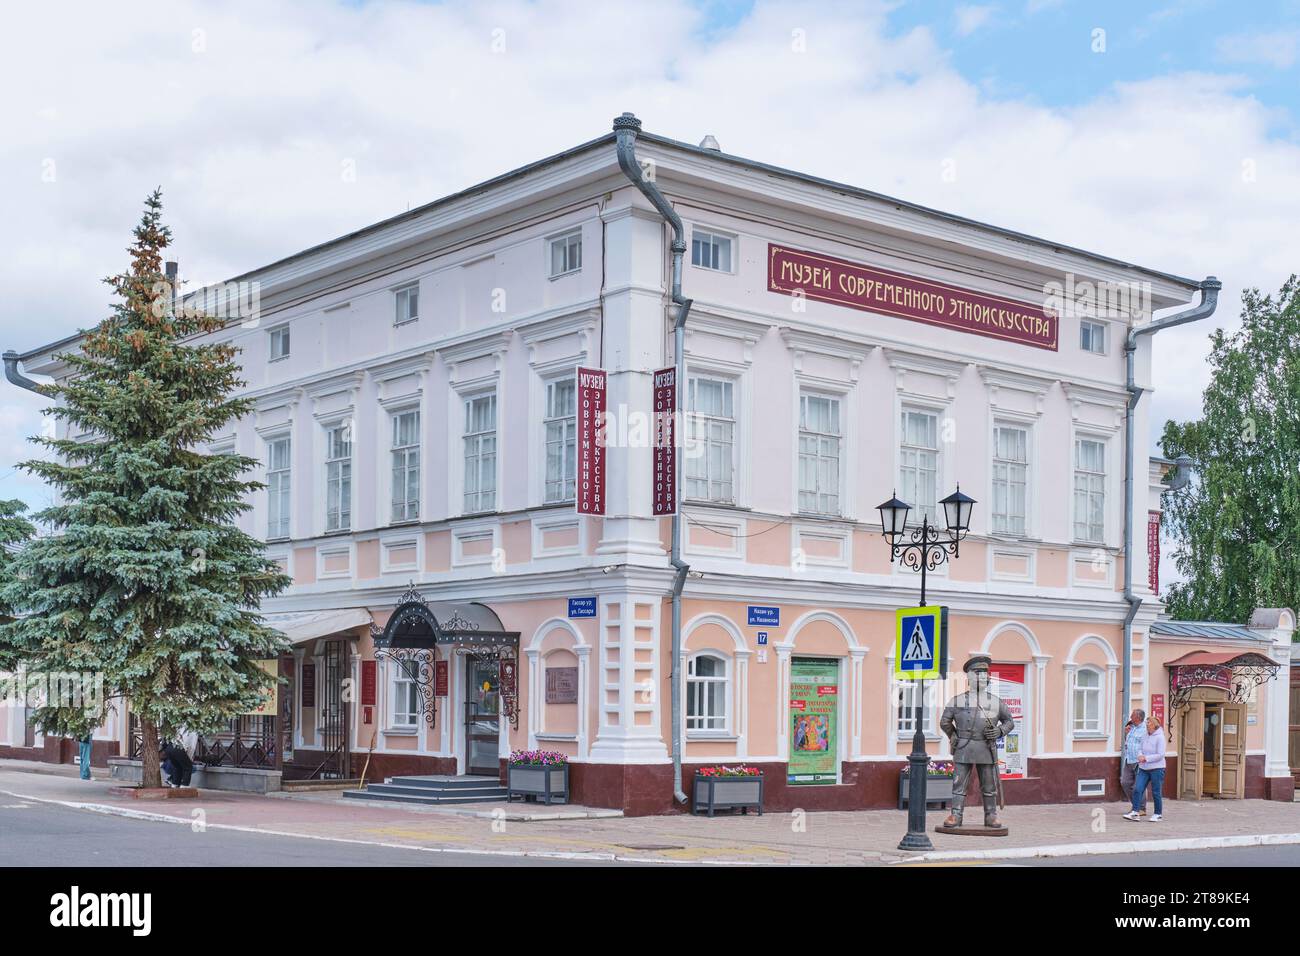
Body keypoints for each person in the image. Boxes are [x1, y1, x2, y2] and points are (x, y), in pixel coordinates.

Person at [940, 655, 1015, 829]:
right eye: (977, 672)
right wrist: (954, 736)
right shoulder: (957, 700)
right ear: (969, 677)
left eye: (984, 673)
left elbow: (1009, 721)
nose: (981, 676)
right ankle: (956, 815)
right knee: (959, 784)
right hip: (964, 747)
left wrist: (999, 731)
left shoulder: (995, 702)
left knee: (989, 785)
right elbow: (945, 722)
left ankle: (990, 815)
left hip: (985, 747)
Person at [1124, 716, 1166, 822]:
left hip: (1157, 768)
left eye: (1149, 724)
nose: (1147, 726)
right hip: (1143, 768)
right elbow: (1139, 748)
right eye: (1146, 724)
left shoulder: (1160, 737)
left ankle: (1158, 814)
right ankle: (1135, 812)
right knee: (1138, 788)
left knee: (1156, 792)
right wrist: (1139, 755)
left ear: (1154, 725)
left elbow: (1160, 754)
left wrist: (1146, 758)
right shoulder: (1145, 735)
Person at [1120, 709, 1147, 814]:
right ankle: (1135, 804)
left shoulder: (1145, 729)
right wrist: (1126, 733)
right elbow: (1127, 742)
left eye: (1133, 715)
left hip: (1139, 760)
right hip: (1129, 759)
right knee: (1125, 782)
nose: (1130, 716)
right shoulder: (1131, 727)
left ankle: (1141, 808)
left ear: (1138, 718)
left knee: (1139, 785)